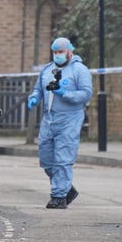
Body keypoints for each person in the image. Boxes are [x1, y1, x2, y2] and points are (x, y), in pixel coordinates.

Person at [26, 37, 93, 209]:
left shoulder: (79, 70)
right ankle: (67, 189)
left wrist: (64, 93)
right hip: (49, 119)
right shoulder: (47, 69)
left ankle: (59, 196)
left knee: (63, 159)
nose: (58, 55)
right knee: (46, 160)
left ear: (70, 51)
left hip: (70, 119)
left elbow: (86, 94)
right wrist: (34, 97)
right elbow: (38, 89)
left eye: (61, 52)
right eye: (55, 52)